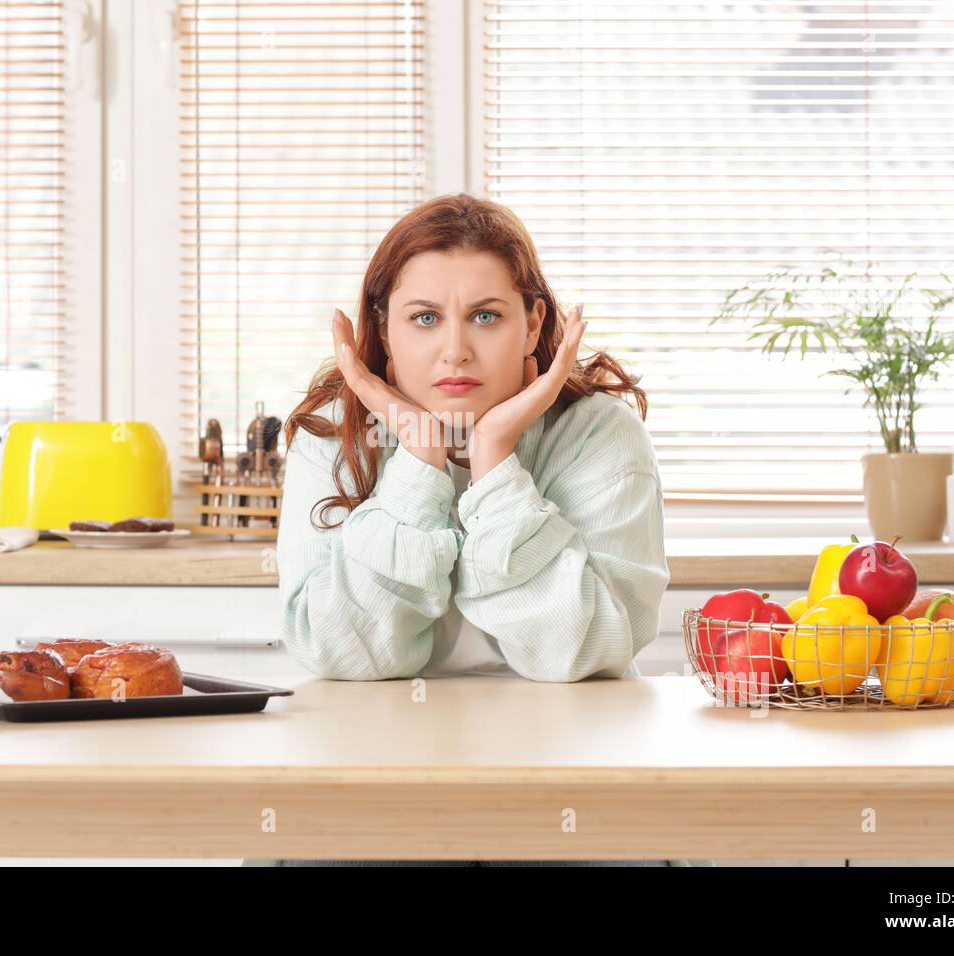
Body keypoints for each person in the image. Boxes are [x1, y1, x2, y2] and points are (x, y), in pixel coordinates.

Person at [262, 193, 682, 867]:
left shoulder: (600, 433)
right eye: (424, 318)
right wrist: (420, 462)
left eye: (485, 316)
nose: (454, 351)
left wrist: (492, 463)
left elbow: (583, 650)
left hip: (574, 773)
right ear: (385, 327)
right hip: (375, 776)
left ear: (533, 320)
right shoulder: (330, 438)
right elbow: (340, 652)